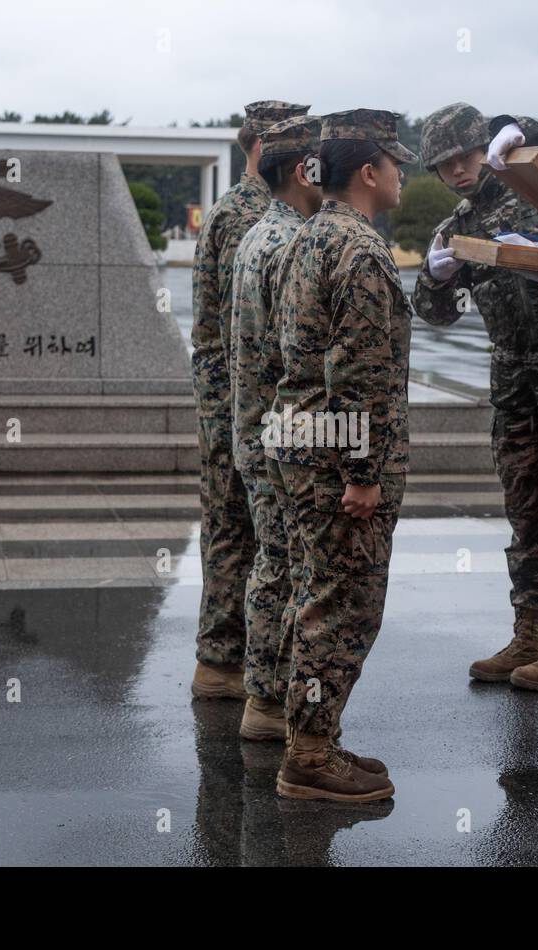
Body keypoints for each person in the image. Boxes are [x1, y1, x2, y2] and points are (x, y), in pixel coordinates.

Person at [412, 104, 538, 691]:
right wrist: (436, 277)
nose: (457, 171)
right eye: (444, 166)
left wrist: (531, 128)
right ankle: (529, 632)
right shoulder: (457, 226)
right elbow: (433, 314)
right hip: (515, 389)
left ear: (485, 148)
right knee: (525, 515)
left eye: (465, 157)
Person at [266, 109, 415, 802]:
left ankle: (313, 737)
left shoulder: (309, 237)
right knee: (344, 606)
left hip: (300, 442)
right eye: (396, 163)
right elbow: (356, 369)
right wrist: (362, 474)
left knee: (317, 595)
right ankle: (313, 756)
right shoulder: (359, 250)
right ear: (369, 172)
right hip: (335, 459)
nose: (402, 175)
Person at [189, 100, 309, 700]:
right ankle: (226, 661)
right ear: (264, 147)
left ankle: (223, 661)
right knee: (241, 531)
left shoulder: (243, 211)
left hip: (230, 401)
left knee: (232, 528)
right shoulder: (251, 217)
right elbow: (252, 333)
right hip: (240, 400)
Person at [228, 114, 323, 740]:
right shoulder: (292, 244)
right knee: (290, 572)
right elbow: (301, 359)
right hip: (284, 440)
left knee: (273, 564)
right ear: (300, 170)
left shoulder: (260, 234)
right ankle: (272, 702)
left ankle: (262, 699)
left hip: (256, 431)